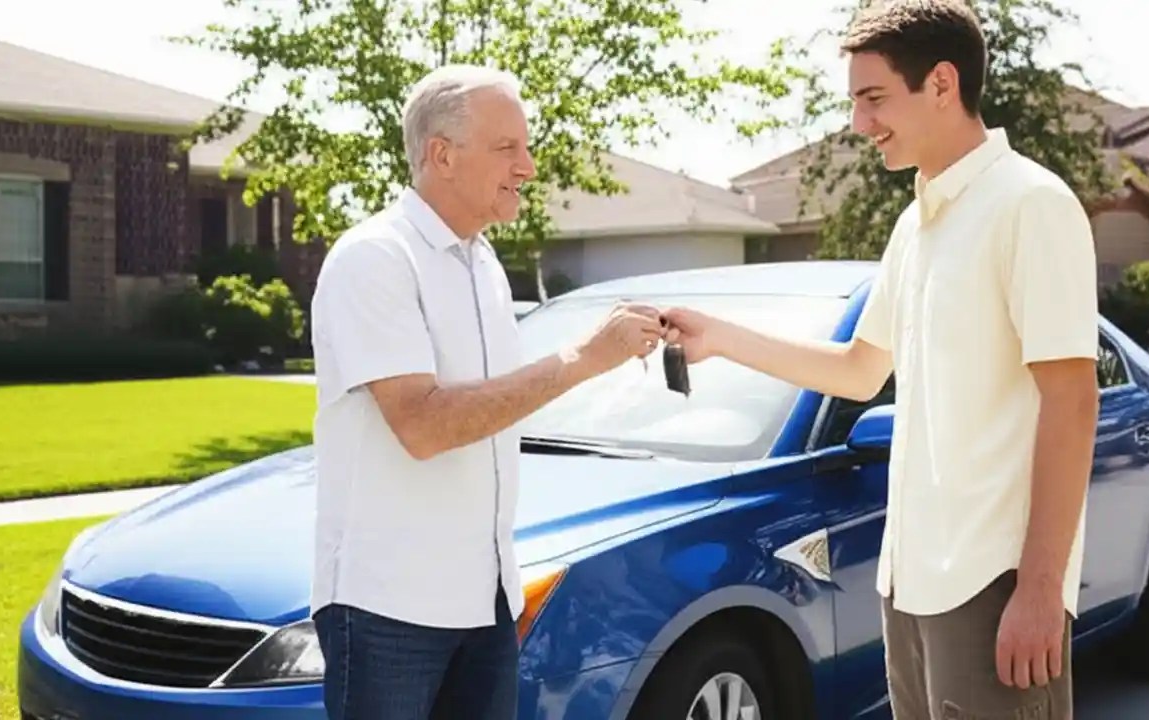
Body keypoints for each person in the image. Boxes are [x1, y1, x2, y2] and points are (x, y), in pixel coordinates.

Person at [662, 1, 1100, 718]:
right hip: (911, 581)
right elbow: (860, 370)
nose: (860, 124)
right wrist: (721, 338)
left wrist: (1040, 589)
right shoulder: (919, 220)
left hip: (993, 582)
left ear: (942, 84)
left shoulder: (1030, 204)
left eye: (874, 99)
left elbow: (1072, 401)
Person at [307, 64, 664, 720]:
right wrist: (584, 357)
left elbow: (498, 406)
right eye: (508, 148)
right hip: (390, 608)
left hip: (485, 600)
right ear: (441, 155)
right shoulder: (375, 260)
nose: (527, 166)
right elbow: (424, 425)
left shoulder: (484, 265)